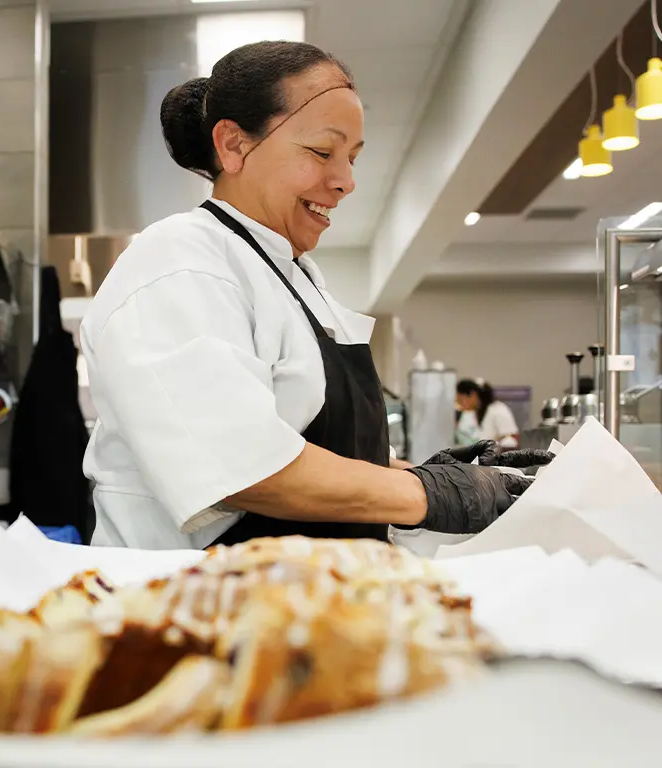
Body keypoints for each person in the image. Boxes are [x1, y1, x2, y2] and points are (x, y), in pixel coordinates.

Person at [80, 41, 547, 551]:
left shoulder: (295, 274)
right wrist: (426, 494)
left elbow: (306, 444)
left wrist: (420, 473)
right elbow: (241, 469)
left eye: (352, 158)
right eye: (323, 152)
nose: (345, 181)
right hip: (188, 607)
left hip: (294, 596)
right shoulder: (178, 262)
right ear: (234, 145)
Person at [456, 379, 520, 449]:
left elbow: (512, 439)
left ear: (472, 394)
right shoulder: (475, 414)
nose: (460, 405)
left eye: (461, 401)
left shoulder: (498, 410)